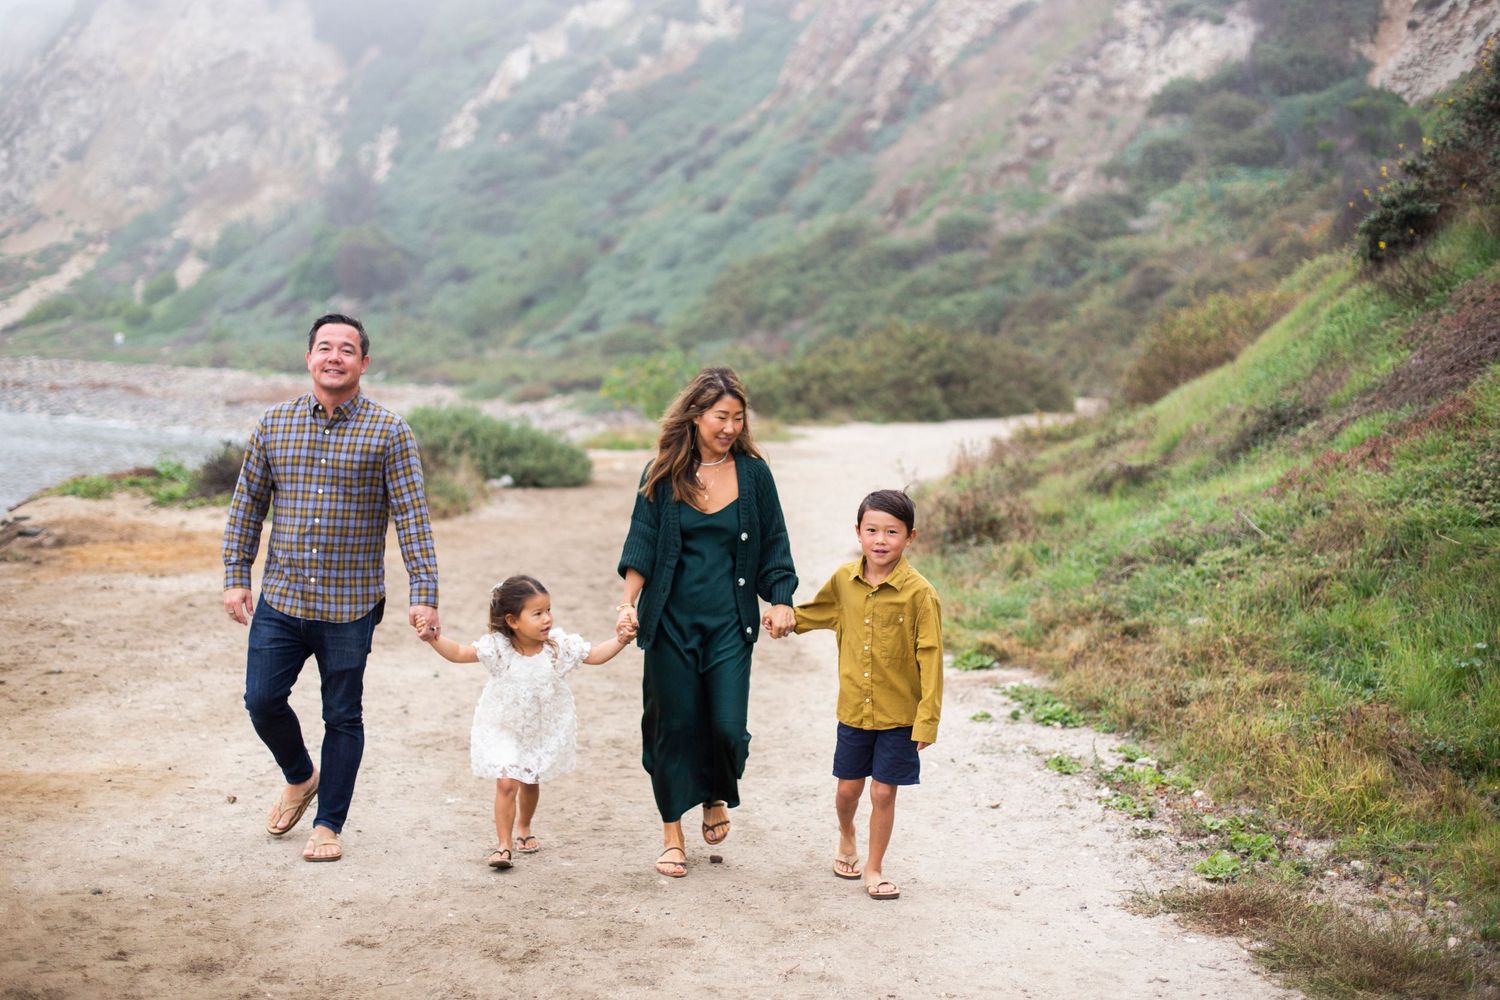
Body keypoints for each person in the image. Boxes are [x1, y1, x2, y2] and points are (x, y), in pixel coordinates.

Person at [222, 313, 440, 863]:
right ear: (309, 357)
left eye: (347, 349)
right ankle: (300, 775)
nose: (335, 357)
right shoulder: (274, 424)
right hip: (283, 597)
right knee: (261, 700)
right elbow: (247, 506)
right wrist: (235, 577)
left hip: (350, 605)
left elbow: (411, 516)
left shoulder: (390, 431)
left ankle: (328, 825)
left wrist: (424, 591)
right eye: (325, 347)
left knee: (342, 715)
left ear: (364, 363)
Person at [615, 367, 797, 878]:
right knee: (673, 726)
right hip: (670, 621)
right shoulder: (661, 471)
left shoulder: (754, 474)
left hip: (729, 624)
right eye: (722, 416)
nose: (731, 427)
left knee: (725, 727)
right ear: (696, 415)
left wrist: (780, 598)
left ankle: (716, 790)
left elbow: (775, 543)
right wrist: (629, 603)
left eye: (739, 418)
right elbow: (642, 544)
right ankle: (672, 833)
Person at [775, 488, 942, 901]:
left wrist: (928, 720)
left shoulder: (920, 594)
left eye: (892, 532)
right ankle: (846, 834)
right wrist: (784, 619)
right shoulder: (843, 582)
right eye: (872, 530)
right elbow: (818, 612)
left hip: (900, 714)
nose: (881, 540)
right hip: (854, 710)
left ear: (910, 538)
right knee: (848, 789)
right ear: (858, 532)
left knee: (883, 791)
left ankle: (874, 867)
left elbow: (932, 659)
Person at [414, 575, 634, 869]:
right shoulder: (499, 648)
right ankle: (503, 846)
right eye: (538, 613)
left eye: (548, 610)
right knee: (507, 782)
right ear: (513, 621)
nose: (547, 619)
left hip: (540, 729)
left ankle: (524, 827)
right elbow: (459, 653)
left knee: (530, 780)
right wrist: (434, 639)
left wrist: (620, 639)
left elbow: (594, 655)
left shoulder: (557, 646)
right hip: (504, 725)